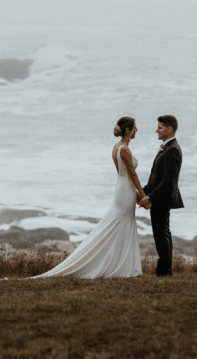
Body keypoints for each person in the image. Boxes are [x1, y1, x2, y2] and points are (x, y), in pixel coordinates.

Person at [24, 117, 147, 279]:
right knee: (121, 225)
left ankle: (122, 265)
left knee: (121, 226)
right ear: (127, 131)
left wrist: (136, 193)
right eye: (135, 128)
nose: (137, 131)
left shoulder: (116, 148)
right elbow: (132, 174)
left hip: (123, 189)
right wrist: (143, 196)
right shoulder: (124, 149)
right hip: (126, 192)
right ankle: (120, 266)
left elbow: (123, 174)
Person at [139, 115, 184, 277]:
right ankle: (165, 271)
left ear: (169, 129)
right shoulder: (167, 147)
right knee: (162, 233)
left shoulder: (172, 150)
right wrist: (143, 192)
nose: (156, 130)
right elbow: (156, 177)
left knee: (161, 234)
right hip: (158, 197)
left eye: (160, 127)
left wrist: (150, 198)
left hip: (162, 199)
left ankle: (164, 272)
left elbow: (168, 180)